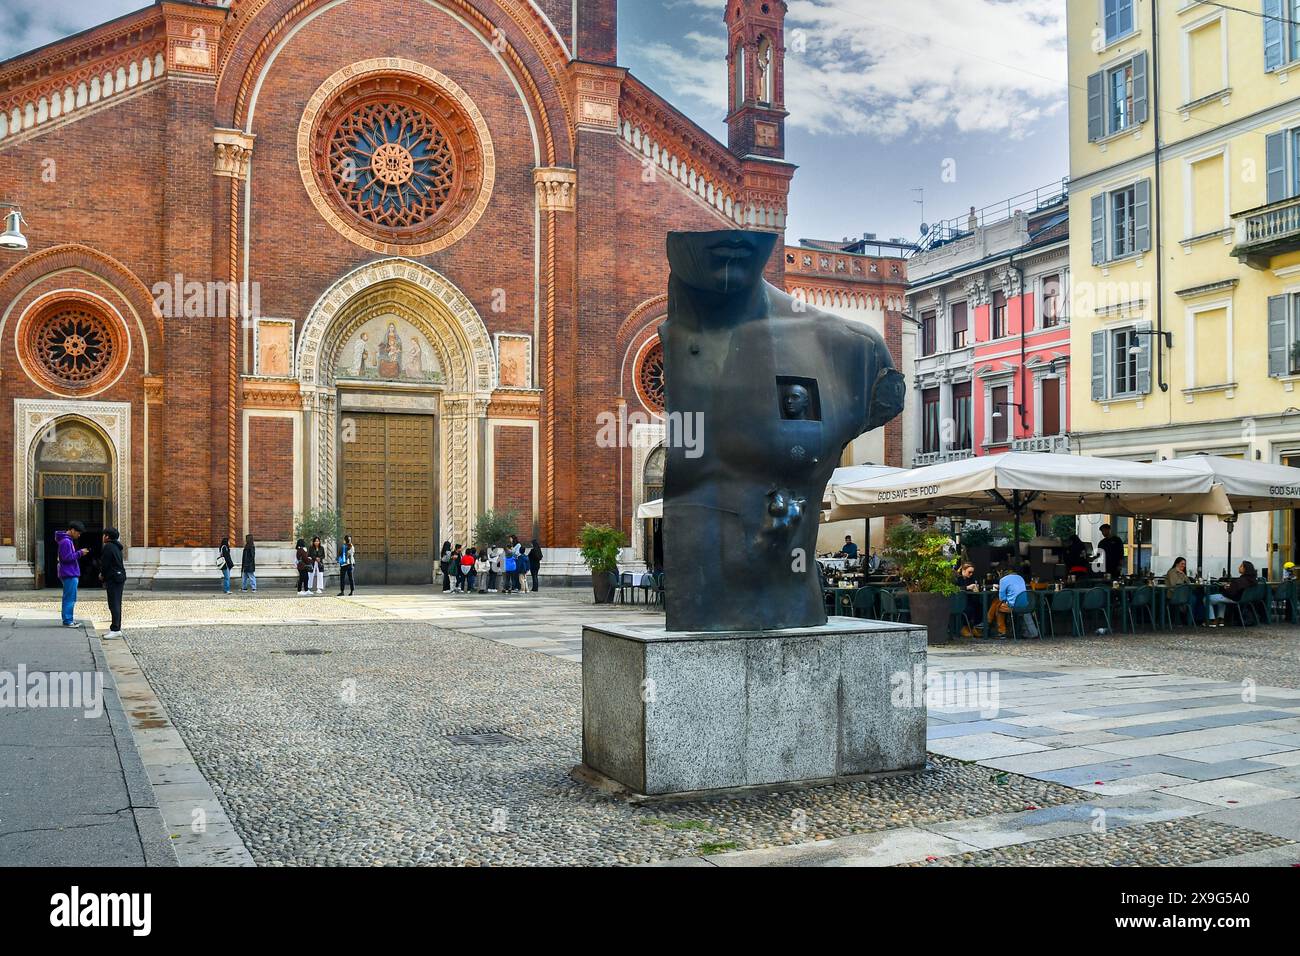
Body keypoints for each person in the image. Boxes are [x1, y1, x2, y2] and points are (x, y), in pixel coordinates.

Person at [55, 520, 89, 627]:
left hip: (68, 572)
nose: (79, 535)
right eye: (78, 532)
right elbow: (66, 558)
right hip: (69, 573)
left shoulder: (66, 540)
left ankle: (68, 619)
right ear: (72, 530)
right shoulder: (66, 541)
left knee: (69, 597)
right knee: (70, 598)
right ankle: (68, 620)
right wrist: (80, 553)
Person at [1205, 561, 1257, 627]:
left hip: (1234, 598)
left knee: (1206, 598)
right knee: (1221, 600)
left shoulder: (1240, 581)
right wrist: (1230, 587)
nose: (1239, 567)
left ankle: (1211, 621)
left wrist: (1225, 588)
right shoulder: (1253, 580)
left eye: (1241, 566)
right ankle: (1221, 620)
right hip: (1243, 599)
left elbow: (1229, 593)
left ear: (1245, 569)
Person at [988, 565, 1031, 639]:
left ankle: (1001, 632)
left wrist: (1001, 588)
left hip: (1013, 607)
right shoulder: (1020, 578)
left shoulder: (1003, 580)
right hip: (1025, 606)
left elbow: (1002, 598)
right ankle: (987, 622)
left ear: (1001, 572)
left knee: (998, 606)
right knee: (997, 604)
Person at [99, 527, 126, 638]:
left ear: (107, 536)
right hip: (119, 577)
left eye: (104, 535)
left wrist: (102, 575)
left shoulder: (108, 547)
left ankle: (115, 629)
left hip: (113, 578)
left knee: (113, 603)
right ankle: (116, 628)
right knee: (117, 603)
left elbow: (105, 564)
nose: (103, 537)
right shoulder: (117, 547)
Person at [954, 562, 982, 638]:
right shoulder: (958, 579)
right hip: (959, 601)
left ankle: (973, 627)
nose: (971, 574)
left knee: (979, 606)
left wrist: (976, 588)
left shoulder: (972, 579)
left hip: (969, 600)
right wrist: (967, 587)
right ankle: (964, 627)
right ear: (963, 570)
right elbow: (954, 589)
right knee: (969, 609)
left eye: (972, 572)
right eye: (969, 572)